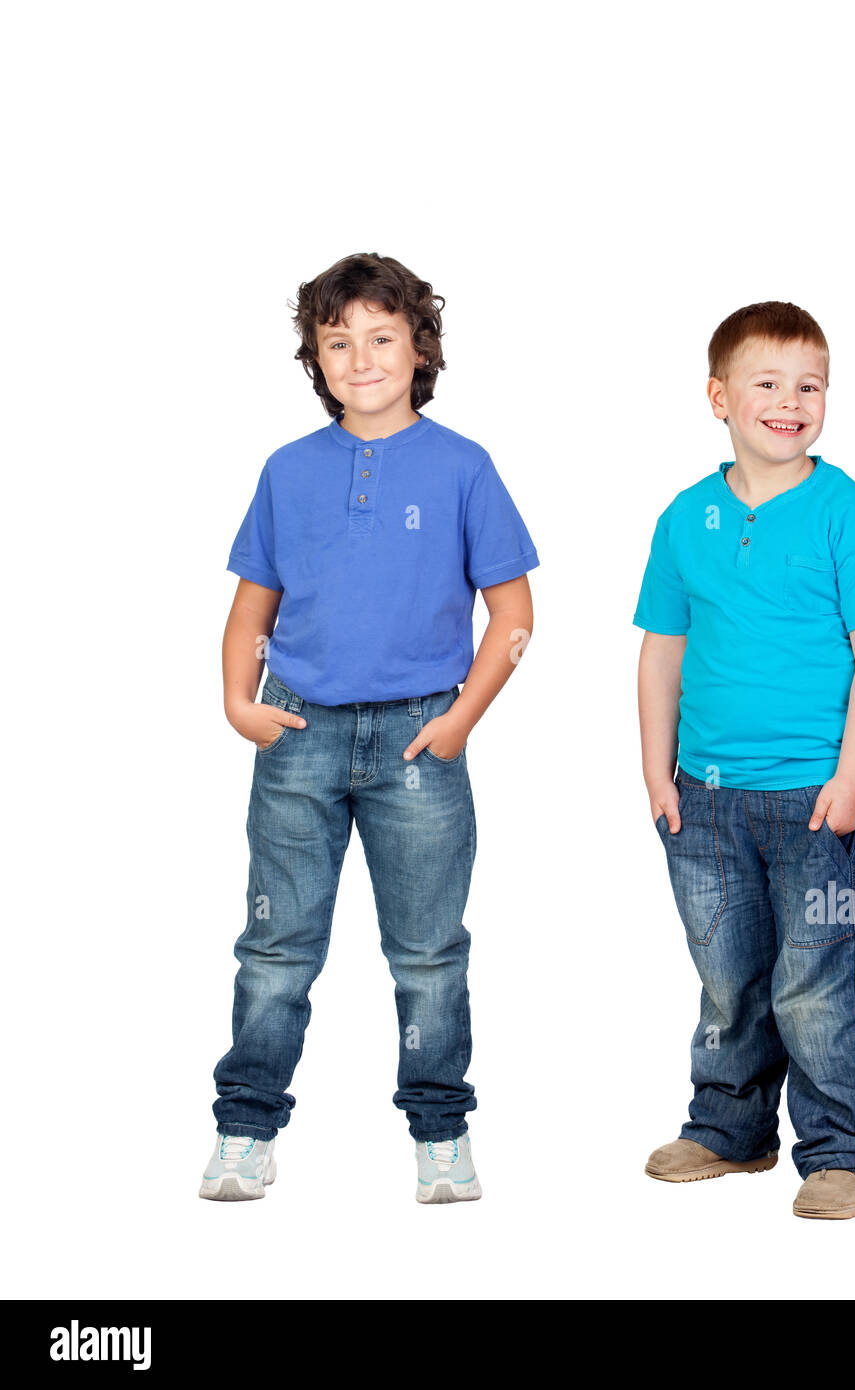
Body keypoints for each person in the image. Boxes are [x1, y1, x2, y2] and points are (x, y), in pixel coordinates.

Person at [199, 252, 538, 1204]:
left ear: (418, 347)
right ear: (315, 355)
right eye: (337, 341)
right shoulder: (287, 471)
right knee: (275, 944)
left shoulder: (464, 466)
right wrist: (236, 701)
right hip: (296, 737)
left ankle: (440, 1131)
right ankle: (243, 1128)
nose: (360, 358)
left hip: (419, 742)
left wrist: (461, 721)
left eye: (380, 337)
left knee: (428, 949)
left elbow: (512, 620)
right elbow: (249, 607)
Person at [634, 301, 855, 1219]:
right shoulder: (684, 518)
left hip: (814, 801)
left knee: (819, 976)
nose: (790, 402)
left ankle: (840, 1150)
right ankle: (729, 1128)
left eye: (809, 386)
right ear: (718, 396)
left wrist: (850, 778)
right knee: (728, 973)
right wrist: (655, 772)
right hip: (704, 801)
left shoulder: (846, 512)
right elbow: (661, 652)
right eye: (767, 383)